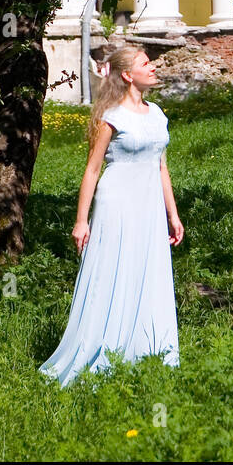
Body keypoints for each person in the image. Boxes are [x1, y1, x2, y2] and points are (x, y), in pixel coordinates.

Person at [39, 46, 183, 388]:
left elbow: (161, 166)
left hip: (149, 208)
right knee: (114, 273)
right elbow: (91, 170)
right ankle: (104, 352)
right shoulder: (112, 116)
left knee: (148, 273)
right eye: (145, 63)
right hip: (117, 205)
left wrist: (172, 215)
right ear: (127, 75)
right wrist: (80, 220)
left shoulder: (158, 114)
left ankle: (149, 352)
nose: (153, 67)